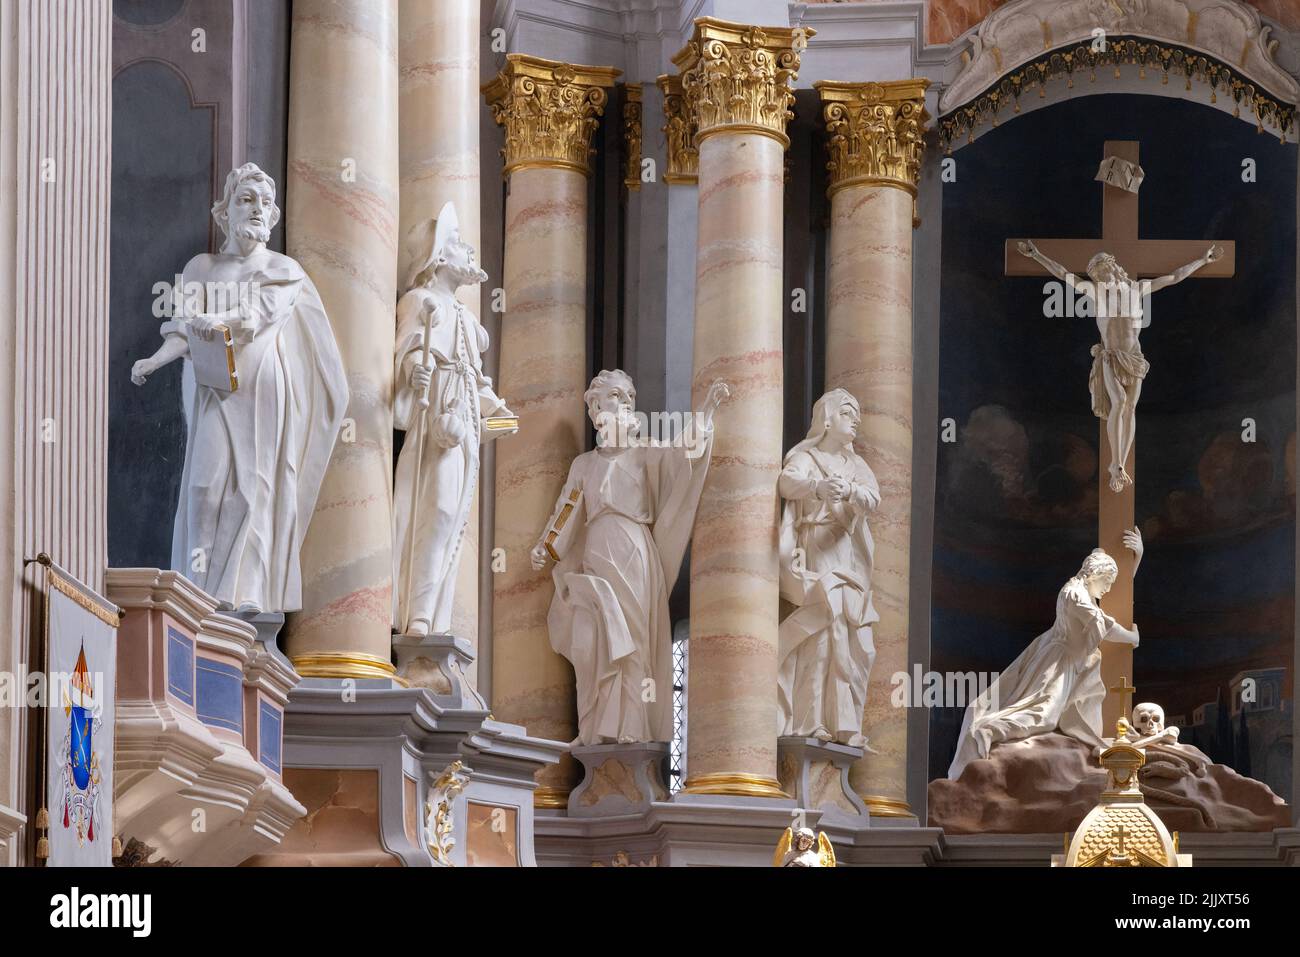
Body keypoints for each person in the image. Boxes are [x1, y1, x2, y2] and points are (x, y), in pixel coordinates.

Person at [130, 163, 346, 613]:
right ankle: (198, 591)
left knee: (254, 488)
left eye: (265, 203)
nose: (257, 209)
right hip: (215, 388)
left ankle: (246, 591)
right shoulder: (202, 267)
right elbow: (182, 329)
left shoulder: (283, 269)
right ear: (224, 212)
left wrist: (215, 319)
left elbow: (256, 317)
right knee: (204, 486)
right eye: (246, 200)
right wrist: (154, 360)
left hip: (262, 391)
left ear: (274, 215)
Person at [947, 529, 1144, 779]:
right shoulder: (1075, 594)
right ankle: (989, 731)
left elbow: (1110, 602)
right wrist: (1133, 638)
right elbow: (1104, 624)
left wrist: (1136, 558)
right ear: (1095, 575)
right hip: (1059, 665)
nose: (1108, 588)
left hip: (1068, 662)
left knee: (1054, 713)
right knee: (1043, 714)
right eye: (1107, 582)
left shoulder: (1081, 589)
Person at [776, 388, 880, 747]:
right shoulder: (806, 457)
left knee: (854, 638)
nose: (856, 421)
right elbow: (786, 483)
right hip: (815, 548)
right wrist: (817, 487)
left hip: (846, 553)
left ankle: (844, 722)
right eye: (848, 413)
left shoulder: (856, 465)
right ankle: (811, 721)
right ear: (827, 419)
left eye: (857, 415)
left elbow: (873, 498)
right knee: (822, 629)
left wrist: (849, 491)